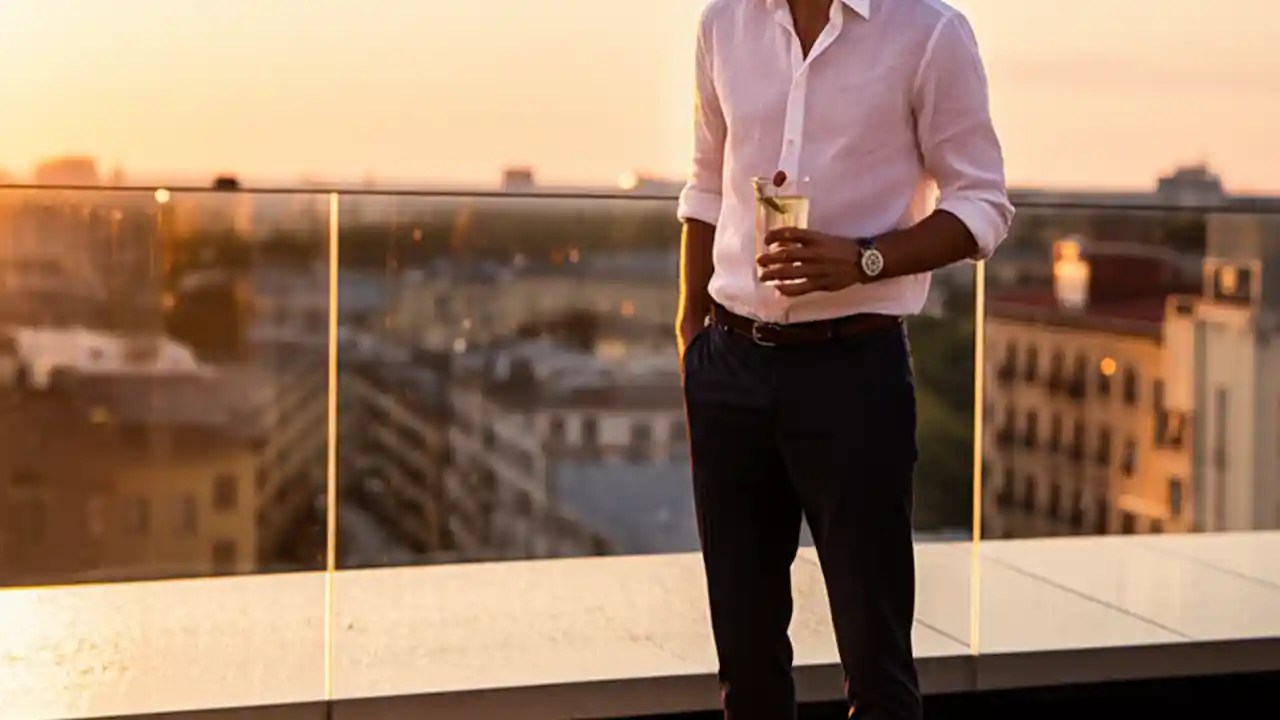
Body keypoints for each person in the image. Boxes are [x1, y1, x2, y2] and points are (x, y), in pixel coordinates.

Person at [675, 1, 1013, 718]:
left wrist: (863, 261)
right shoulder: (722, 24)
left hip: (853, 375)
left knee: (876, 664)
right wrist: (691, 330)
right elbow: (707, 181)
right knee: (745, 662)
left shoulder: (929, 33)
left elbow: (982, 203)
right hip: (729, 368)